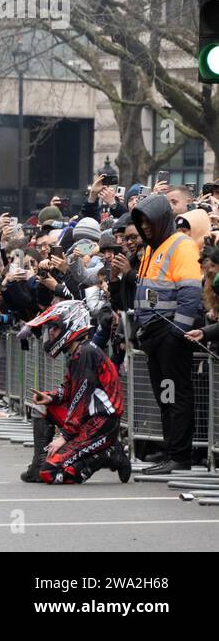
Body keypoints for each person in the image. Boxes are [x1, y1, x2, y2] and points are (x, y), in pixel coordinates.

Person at [130, 192, 204, 475]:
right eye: (141, 223)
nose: (144, 227)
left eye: (148, 222)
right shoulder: (151, 248)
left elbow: (190, 292)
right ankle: (171, 451)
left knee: (175, 395)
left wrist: (177, 332)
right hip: (154, 335)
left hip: (169, 333)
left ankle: (179, 456)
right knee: (165, 396)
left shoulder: (181, 245)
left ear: (161, 219)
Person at [20, 300, 131, 484]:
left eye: (54, 328)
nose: (51, 334)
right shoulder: (78, 353)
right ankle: (37, 465)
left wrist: (64, 437)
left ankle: (109, 454)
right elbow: (69, 390)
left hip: (101, 422)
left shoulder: (85, 353)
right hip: (88, 420)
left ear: (71, 325)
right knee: (40, 408)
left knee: (51, 472)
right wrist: (50, 397)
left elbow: (80, 400)